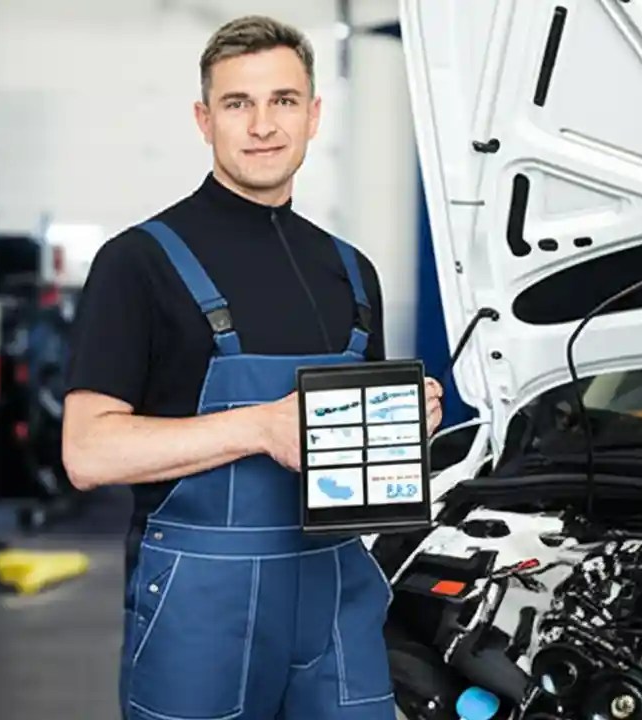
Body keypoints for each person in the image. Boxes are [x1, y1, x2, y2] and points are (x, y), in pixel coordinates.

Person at [61, 15, 444, 720]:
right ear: (204, 119)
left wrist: (399, 424)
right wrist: (261, 428)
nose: (263, 125)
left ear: (314, 115)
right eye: (239, 103)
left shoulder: (352, 272)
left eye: (284, 101)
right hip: (203, 607)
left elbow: (350, 462)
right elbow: (88, 452)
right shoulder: (138, 263)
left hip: (337, 597)